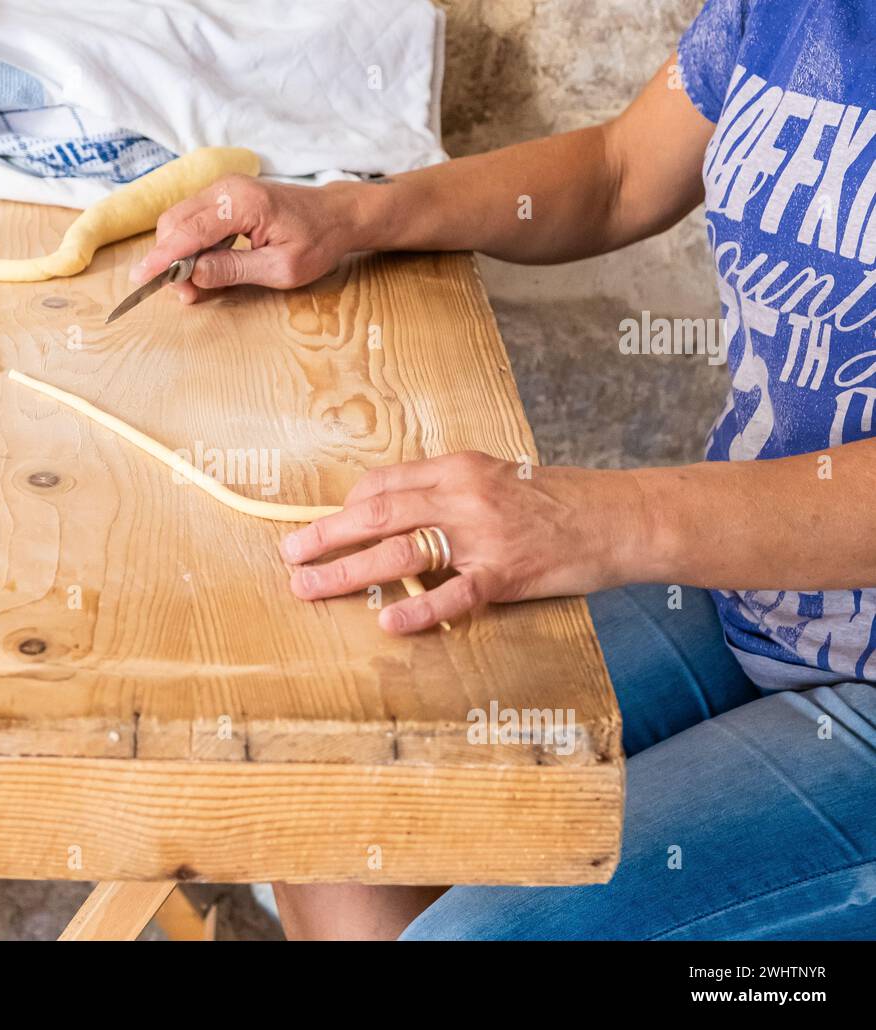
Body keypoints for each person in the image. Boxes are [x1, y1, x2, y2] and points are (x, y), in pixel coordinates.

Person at [134, 0, 876, 940]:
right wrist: (350, 211)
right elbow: (619, 173)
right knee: (325, 789)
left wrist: (602, 520)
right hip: (750, 597)